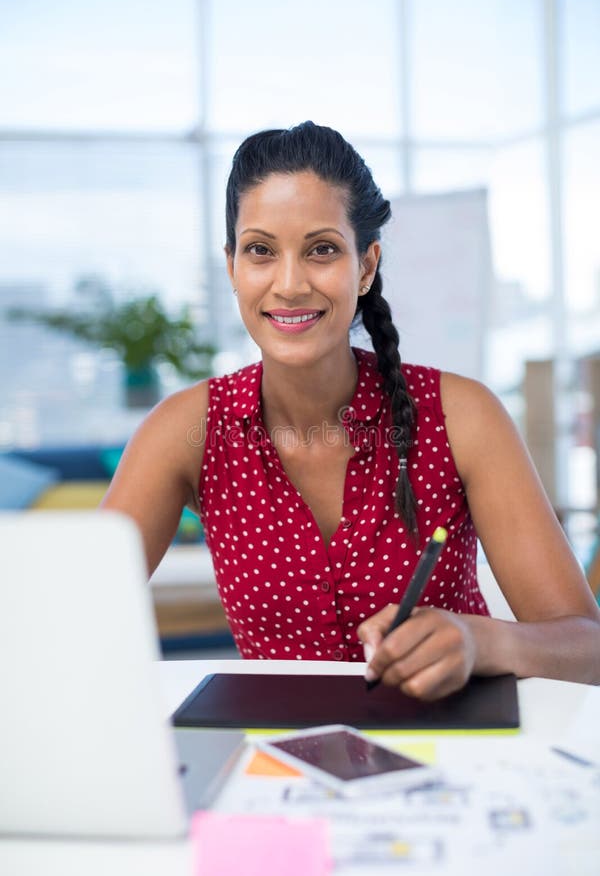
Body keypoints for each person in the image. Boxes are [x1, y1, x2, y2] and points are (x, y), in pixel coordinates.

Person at [101, 121, 600, 700]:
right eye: (261, 251)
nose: (288, 284)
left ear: (365, 267)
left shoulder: (463, 417)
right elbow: (70, 625)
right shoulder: (184, 431)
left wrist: (481, 641)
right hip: (278, 769)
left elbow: (588, 648)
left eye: (322, 250)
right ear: (232, 265)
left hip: (458, 765)